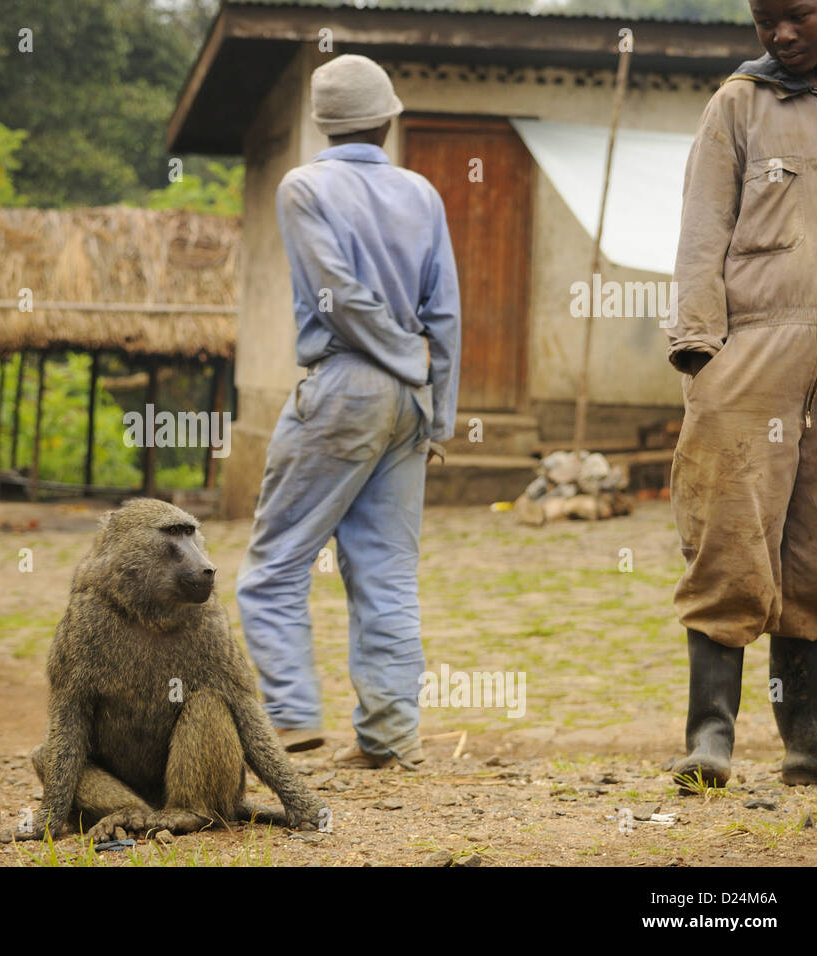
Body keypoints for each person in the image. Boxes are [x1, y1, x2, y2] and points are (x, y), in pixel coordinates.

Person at [235, 55, 461, 769]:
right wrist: (439, 413)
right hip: (410, 398)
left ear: (320, 124)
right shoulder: (422, 193)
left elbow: (337, 296)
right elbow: (446, 314)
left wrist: (398, 358)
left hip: (347, 384)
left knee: (273, 567)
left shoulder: (303, 188)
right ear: (390, 118)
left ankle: (295, 715)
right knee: (387, 573)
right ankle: (392, 740)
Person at [666, 0, 817, 788]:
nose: (781, 35)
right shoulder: (739, 102)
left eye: (798, 16)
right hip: (753, 347)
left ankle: (812, 746)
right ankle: (710, 740)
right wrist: (700, 350)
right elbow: (701, 226)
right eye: (767, 20)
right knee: (728, 535)